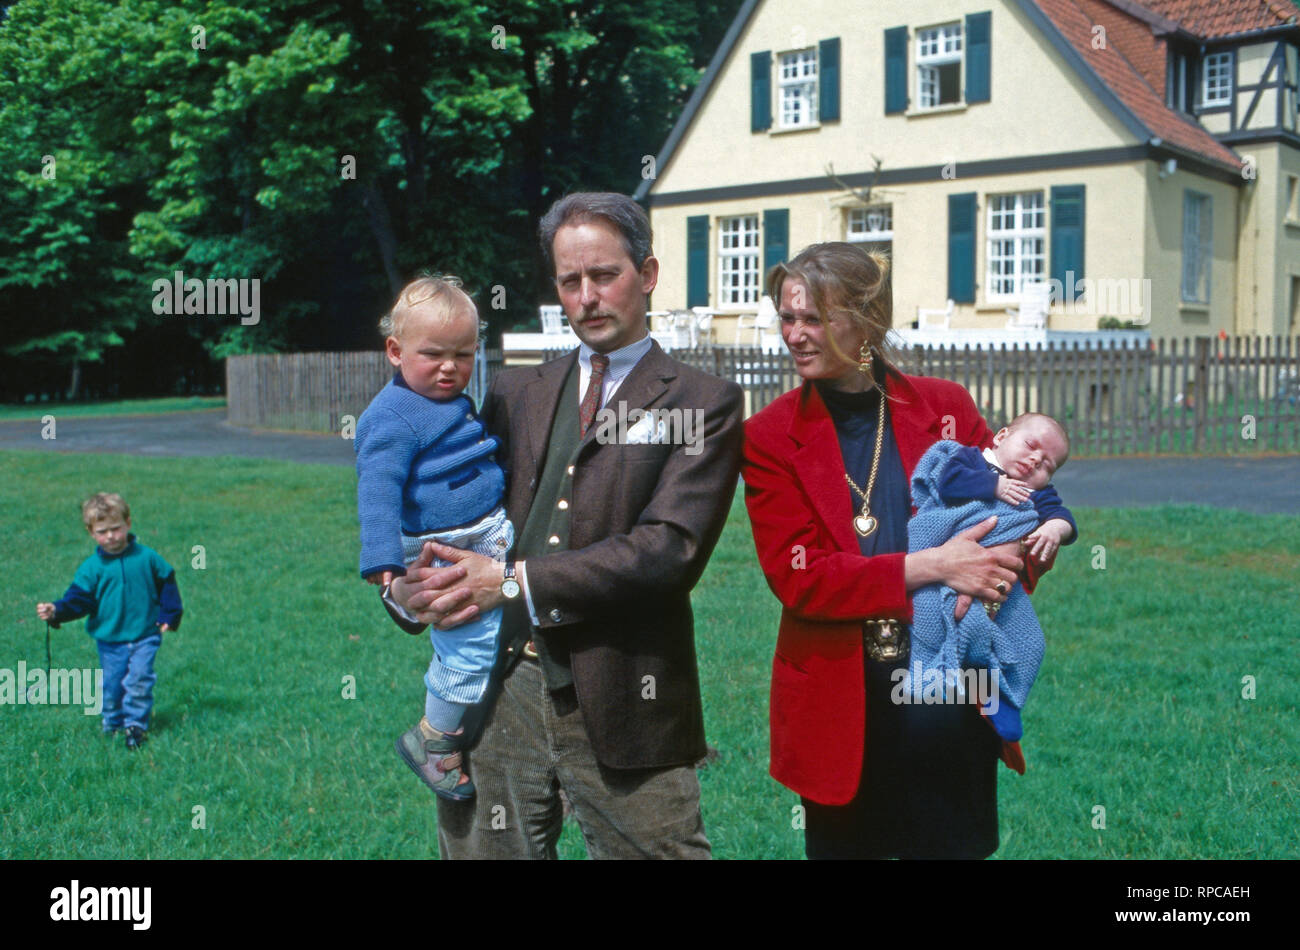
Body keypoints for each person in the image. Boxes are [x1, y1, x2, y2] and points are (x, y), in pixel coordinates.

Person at [382, 192, 744, 859]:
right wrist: (405, 586)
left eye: (604, 275)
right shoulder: (514, 392)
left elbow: (668, 550)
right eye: (570, 281)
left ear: (649, 273)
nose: (587, 296)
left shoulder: (702, 401)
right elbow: (447, 507)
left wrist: (513, 582)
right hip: (500, 690)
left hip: (628, 692)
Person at [742, 242, 1047, 859]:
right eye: (787, 317)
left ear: (866, 320)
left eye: (815, 319)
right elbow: (801, 577)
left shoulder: (945, 410)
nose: (795, 335)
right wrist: (935, 565)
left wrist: (1031, 547)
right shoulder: (769, 436)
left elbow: (1009, 517)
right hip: (838, 699)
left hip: (950, 693)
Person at [355, 275, 513, 802]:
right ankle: (433, 739)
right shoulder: (391, 416)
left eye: (463, 354)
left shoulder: (449, 399)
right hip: (441, 544)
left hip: (487, 530)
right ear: (395, 352)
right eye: (434, 354)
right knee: (467, 643)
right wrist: (384, 562)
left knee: (504, 610)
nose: (450, 367)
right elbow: (377, 489)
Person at [906, 412, 1077, 763]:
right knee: (944, 618)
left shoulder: (1036, 493)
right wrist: (993, 486)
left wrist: (1054, 529)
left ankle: (1004, 697)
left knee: (1030, 639)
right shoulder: (970, 460)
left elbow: (1063, 516)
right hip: (945, 558)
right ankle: (931, 678)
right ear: (1000, 437)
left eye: (1047, 464)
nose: (1035, 461)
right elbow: (948, 482)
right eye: (1031, 447)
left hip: (1000, 583)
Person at [35, 492, 183, 749]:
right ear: (91, 532)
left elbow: (167, 583)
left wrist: (170, 615)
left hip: (145, 634)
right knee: (113, 686)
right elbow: (78, 600)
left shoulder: (147, 558)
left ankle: (136, 727)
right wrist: (56, 611)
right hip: (110, 640)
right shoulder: (91, 569)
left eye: (116, 528)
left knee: (139, 679)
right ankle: (113, 724)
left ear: (128, 522)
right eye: (102, 531)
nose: (111, 536)